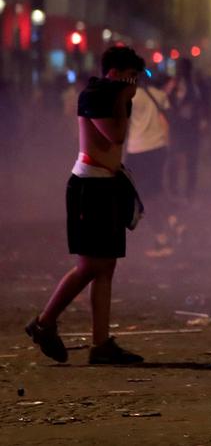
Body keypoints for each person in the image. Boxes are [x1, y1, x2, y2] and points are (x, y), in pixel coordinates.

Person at [26, 46, 147, 364]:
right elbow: (116, 136)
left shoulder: (115, 97)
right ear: (114, 72)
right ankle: (44, 322)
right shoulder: (96, 95)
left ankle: (101, 344)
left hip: (106, 186)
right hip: (89, 187)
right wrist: (122, 99)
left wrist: (124, 99)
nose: (134, 82)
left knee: (106, 266)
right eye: (130, 75)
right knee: (90, 265)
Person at [126, 73, 173, 257]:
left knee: (145, 196)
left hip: (138, 150)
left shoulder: (131, 98)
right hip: (158, 148)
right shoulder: (158, 94)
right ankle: (173, 222)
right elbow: (166, 118)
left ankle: (162, 240)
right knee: (157, 190)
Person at [165, 58, 207, 202]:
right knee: (174, 160)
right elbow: (165, 102)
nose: (181, 71)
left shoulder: (195, 86)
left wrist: (200, 120)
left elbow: (201, 106)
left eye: (183, 68)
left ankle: (190, 191)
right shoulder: (172, 85)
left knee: (191, 160)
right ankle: (174, 189)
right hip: (177, 127)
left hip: (191, 128)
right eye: (179, 68)